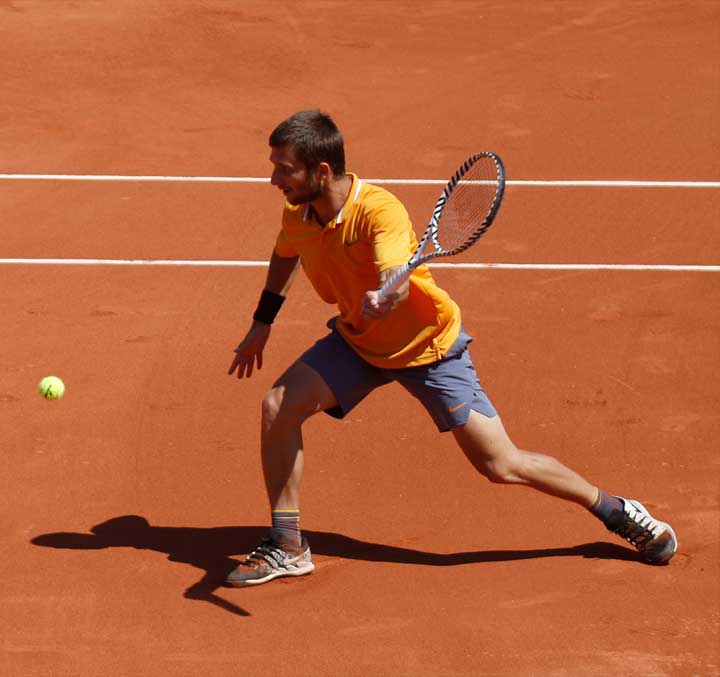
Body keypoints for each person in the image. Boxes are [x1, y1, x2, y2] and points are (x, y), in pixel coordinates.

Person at [224, 109, 677, 587]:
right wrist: (262, 322)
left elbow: (395, 278)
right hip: (359, 342)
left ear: (320, 171)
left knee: (501, 464)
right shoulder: (298, 214)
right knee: (278, 407)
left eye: (284, 169)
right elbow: (286, 252)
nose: (274, 179)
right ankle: (289, 545)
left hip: (428, 349)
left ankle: (616, 510)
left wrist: (386, 296)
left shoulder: (379, 211)